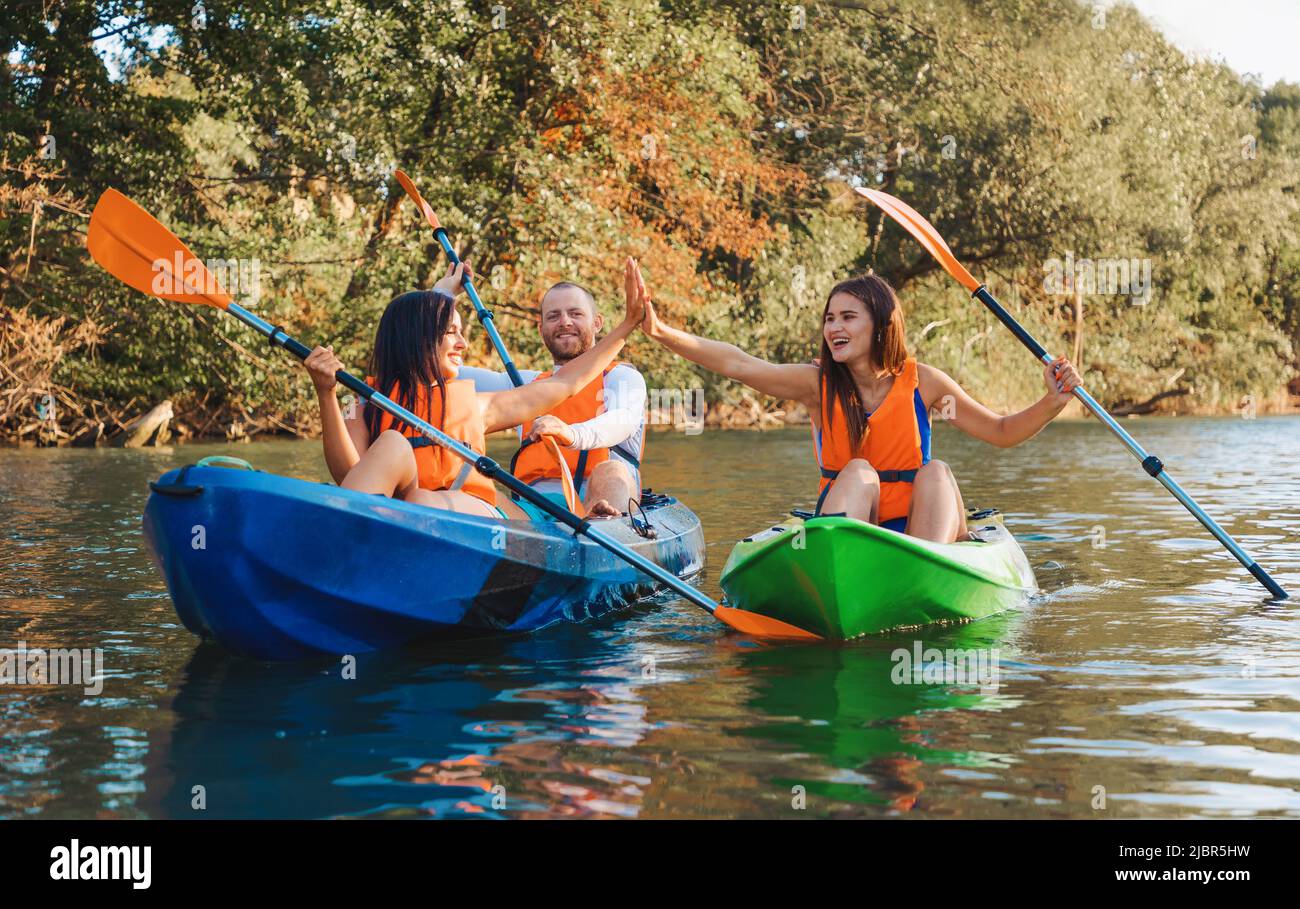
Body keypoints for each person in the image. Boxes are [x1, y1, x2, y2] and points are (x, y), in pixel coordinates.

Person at [640, 273, 1082, 543]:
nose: (834, 327)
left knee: (936, 470)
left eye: (848, 317)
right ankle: (845, 563)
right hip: (854, 533)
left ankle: (929, 569)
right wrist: (661, 332)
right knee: (857, 471)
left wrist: (1052, 401)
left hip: (919, 533)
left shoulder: (923, 383)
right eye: (830, 318)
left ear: (881, 324)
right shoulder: (817, 384)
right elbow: (738, 363)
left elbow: (1002, 432)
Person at [301, 258, 646, 520]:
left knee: (417, 495)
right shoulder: (361, 400)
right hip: (405, 507)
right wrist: (326, 393)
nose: (464, 343)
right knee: (396, 452)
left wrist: (628, 325)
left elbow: (567, 383)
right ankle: (344, 539)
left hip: (461, 511)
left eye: (575, 313)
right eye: (452, 332)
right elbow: (350, 474)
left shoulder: (477, 404)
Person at [457, 266, 649, 518]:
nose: (565, 321)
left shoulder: (622, 377)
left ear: (598, 323)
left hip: (602, 499)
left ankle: (599, 520)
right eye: (554, 316)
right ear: (541, 328)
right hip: (533, 508)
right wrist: (446, 295)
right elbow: (449, 370)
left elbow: (620, 421)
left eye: (575, 313)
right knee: (470, 478)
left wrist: (571, 434)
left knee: (611, 471)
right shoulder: (525, 384)